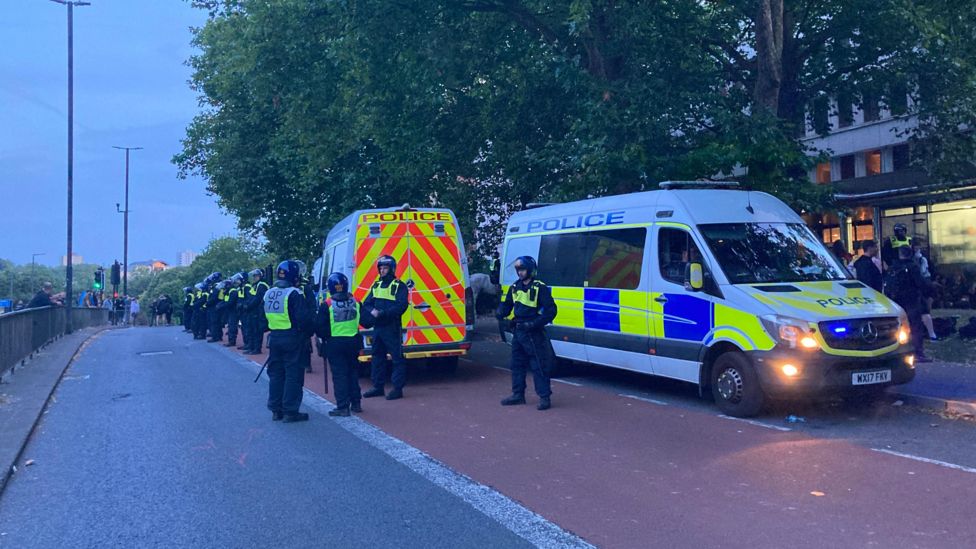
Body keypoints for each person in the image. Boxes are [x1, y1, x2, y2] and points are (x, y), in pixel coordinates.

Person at [496, 256, 558, 410]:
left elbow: (551, 311)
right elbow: (507, 305)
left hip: (533, 332)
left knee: (538, 364)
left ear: (530, 270)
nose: (520, 273)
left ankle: (544, 397)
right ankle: (518, 394)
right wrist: (500, 313)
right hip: (518, 332)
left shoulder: (539, 287)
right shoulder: (515, 287)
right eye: (518, 270)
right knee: (516, 364)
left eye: (522, 270)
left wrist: (534, 324)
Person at [264, 260, 315, 423]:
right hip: (292, 338)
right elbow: (303, 319)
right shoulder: (294, 293)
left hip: (274, 338)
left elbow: (263, 319)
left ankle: (275, 409)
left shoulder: (269, 293)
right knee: (293, 375)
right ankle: (290, 411)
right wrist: (309, 332)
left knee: (276, 374)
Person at [361, 255, 409, 401]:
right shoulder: (376, 285)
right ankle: (378, 387)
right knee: (377, 357)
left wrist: (384, 313)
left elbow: (401, 306)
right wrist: (372, 311)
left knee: (397, 358)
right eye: (380, 268)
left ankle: (397, 389)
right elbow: (367, 303)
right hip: (378, 327)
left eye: (385, 268)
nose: (382, 270)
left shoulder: (399, 286)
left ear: (392, 269)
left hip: (391, 327)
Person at [316, 272, 364, 416]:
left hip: (335, 344)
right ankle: (356, 403)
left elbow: (320, 329)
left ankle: (343, 406)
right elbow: (367, 321)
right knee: (353, 373)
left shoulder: (327, 305)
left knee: (339, 375)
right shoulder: (356, 302)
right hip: (353, 342)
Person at [885, 246, 932, 362]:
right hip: (911, 300)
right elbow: (920, 283)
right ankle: (918, 353)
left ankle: (897, 351)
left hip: (896, 301)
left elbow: (888, 285)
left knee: (897, 327)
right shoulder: (912, 267)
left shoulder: (893, 267)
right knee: (916, 326)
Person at [244, 268, 269, 354]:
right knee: (251, 329)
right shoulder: (255, 285)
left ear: (261, 276)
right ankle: (251, 347)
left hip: (258, 311)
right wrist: (247, 304)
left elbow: (258, 299)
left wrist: (248, 306)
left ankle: (257, 349)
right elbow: (251, 297)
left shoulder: (262, 285)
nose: (254, 277)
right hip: (253, 311)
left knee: (257, 330)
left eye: (256, 276)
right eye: (254, 276)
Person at [224, 273, 244, 347]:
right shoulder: (230, 291)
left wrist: (221, 306)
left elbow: (230, 302)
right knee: (231, 325)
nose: (226, 286)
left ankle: (232, 341)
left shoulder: (233, 291)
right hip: (232, 311)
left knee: (232, 326)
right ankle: (231, 340)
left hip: (234, 311)